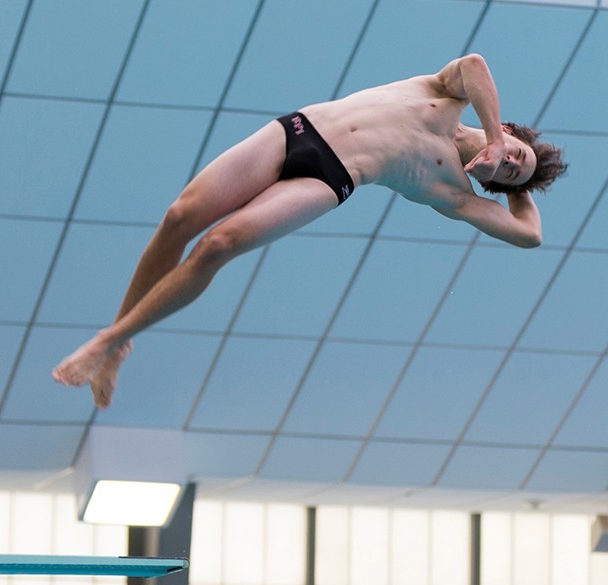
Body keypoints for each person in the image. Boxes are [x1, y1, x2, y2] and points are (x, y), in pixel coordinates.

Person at [52, 53, 568, 409]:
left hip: (330, 179)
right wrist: (503, 142)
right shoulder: (447, 94)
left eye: (510, 173)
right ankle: (118, 345)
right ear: (513, 132)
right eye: (516, 155)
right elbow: (475, 64)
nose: (508, 164)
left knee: (217, 246)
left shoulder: (456, 193)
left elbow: (530, 235)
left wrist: (516, 184)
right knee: (178, 219)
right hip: (298, 131)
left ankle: (110, 340)